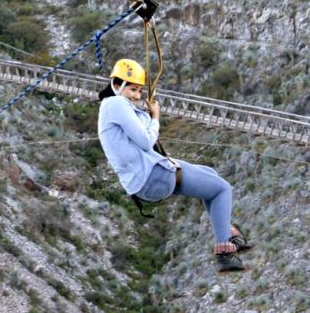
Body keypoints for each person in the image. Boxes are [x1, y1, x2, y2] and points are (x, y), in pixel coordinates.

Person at [97, 58, 253, 273]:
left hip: (145, 183)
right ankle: (225, 252)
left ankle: (227, 233)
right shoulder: (115, 103)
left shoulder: (114, 109)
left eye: (139, 91)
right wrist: (156, 117)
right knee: (222, 188)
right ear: (116, 85)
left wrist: (147, 114)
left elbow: (140, 135)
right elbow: (145, 140)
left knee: (211, 175)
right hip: (153, 175)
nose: (136, 95)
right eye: (132, 89)